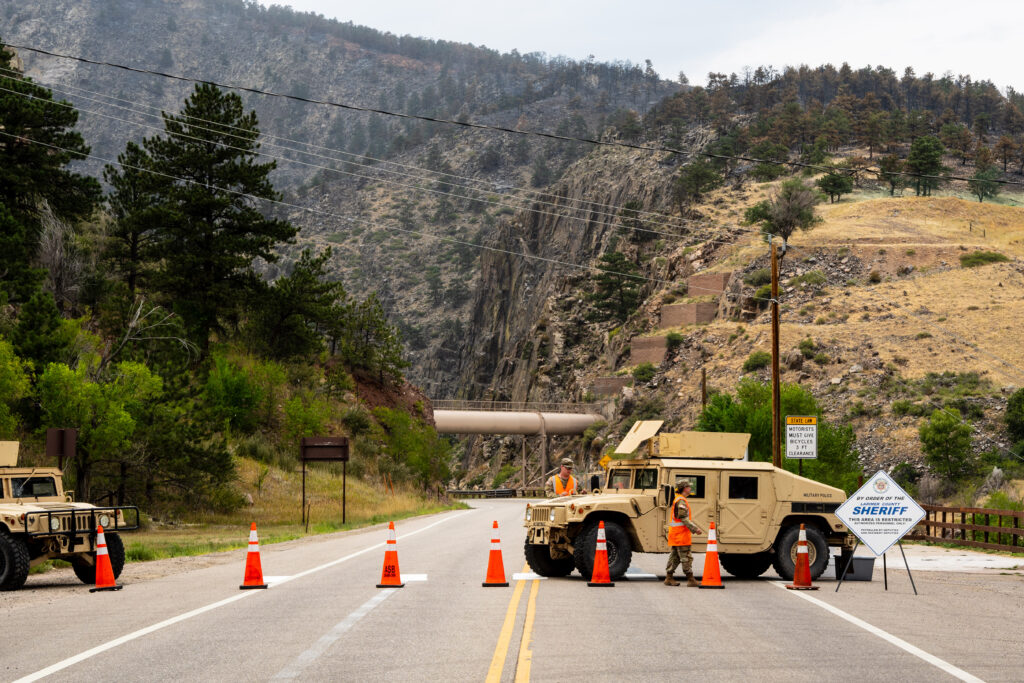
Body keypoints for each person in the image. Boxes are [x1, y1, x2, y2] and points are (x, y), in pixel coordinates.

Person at [665, 480, 704, 586]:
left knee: (675, 556)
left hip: (676, 534)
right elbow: (683, 518)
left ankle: (668, 578)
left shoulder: (679, 499)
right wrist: (695, 529)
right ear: (684, 488)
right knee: (686, 556)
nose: (690, 488)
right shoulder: (681, 500)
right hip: (681, 535)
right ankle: (691, 580)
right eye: (688, 487)